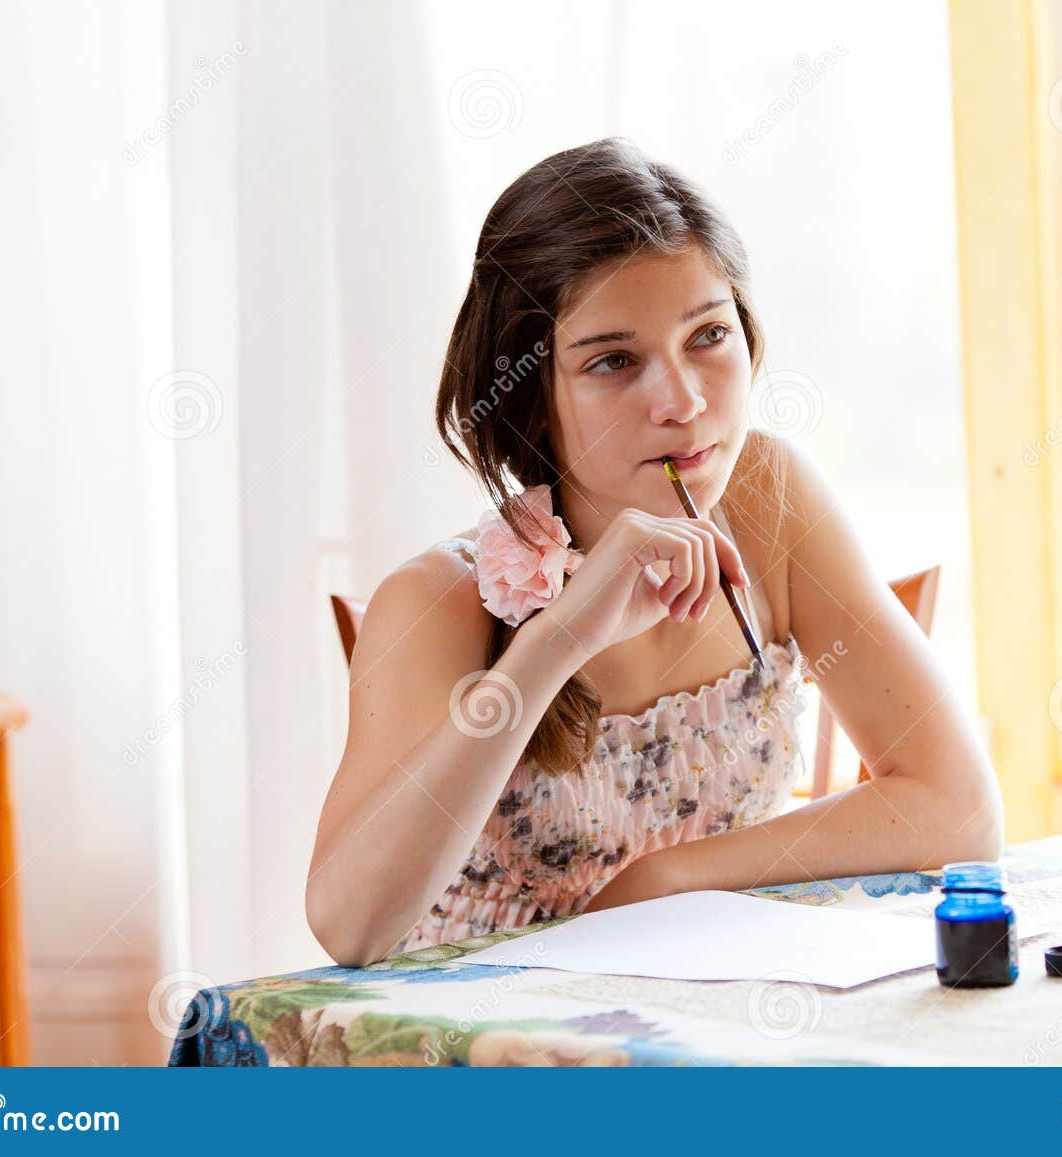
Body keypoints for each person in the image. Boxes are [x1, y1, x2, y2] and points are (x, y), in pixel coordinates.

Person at [306, 137, 1002, 966]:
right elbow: (351, 926)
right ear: (532, 392)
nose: (683, 401)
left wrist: (665, 879)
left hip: (708, 1020)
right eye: (612, 361)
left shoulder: (769, 496)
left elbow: (959, 809)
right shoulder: (440, 600)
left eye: (708, 335)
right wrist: (558, 637)